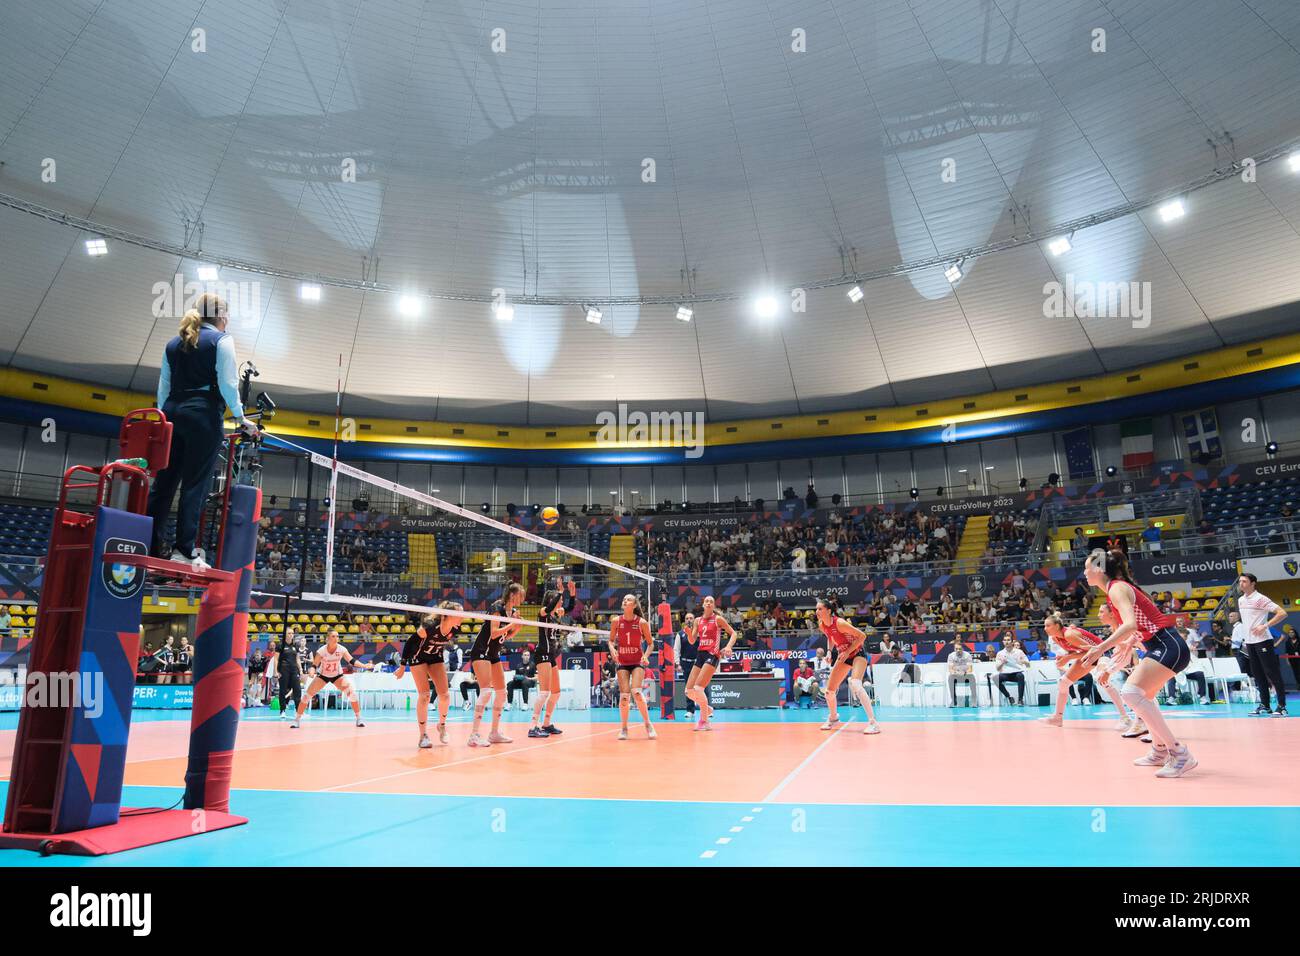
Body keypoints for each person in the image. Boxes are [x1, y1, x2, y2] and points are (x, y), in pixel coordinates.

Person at [146, 291, 259, 565]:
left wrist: (164, 420)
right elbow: (229, 383)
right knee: (194, 484)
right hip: (202, 415)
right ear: (221, 316)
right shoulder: (222, 340)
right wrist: (241, 418)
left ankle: (148, 544)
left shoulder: (173, 343)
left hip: (171, 414)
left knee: (164, 484)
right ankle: (183, 550)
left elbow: (164, 386)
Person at [1080, 549, 1197, 777]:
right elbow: (1132, 633)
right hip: (1161, 646)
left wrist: (1099, 648)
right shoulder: (1116, 589)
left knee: (1131, 693)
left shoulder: (1117, 588)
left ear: (1099, 569)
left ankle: (1179, 753)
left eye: (1087, 567)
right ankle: (1159, 751)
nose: (1084, 572)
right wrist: (1113, 664)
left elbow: (1130, 625)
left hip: (1167, 645)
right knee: (1145, 697)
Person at [394, 602, 463, 748]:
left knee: (445, 695)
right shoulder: (430, 625)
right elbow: (410, 642)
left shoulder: (456, 630)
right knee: (425, 695)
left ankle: (442, 725)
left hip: (435, 657)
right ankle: (423, 735)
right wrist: (402, 666)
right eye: (459, 614)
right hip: (417, 657)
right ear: (447, 615)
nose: (463, 617)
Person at [468, 583, 525, 747]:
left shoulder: (513, 612)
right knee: (486, 692)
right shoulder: (497, 607)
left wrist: (516, 628)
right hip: (480, 651)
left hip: (493, 654)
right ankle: (474, 735)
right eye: (521, 595)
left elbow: (504, 637)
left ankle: (494, 733)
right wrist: (511, 623)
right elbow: (493, 634)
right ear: (513, 595)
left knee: (501, 693)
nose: (523, 599)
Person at [814, 595, 880, 734]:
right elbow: (830, 637)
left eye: (820, 609)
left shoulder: (840, 623)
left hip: (857, 653)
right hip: (843, 656)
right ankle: (833, 718)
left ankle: (873, 723)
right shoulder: (821, 624)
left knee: (856, 683)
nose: (817, 611)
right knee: (829, 692)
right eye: (816, 609)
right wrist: (829, 652)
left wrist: (848, 651)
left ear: (828, 611)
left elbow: (862, 636)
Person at [290, 630, 373, 728]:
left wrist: (364, 665)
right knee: (306, 696)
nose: (336, 638)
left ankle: (359, 719)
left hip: (337, 676)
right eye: (333, 636)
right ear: (328, 639)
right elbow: (314, 665)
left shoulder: (342, 649)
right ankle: (297, 720)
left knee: (352, 694)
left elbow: (352, 661)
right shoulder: (321, 651)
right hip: (323, 676)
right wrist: (312, 671)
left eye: (337, 636)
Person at [1235, 573, 1289, 717]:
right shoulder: (1240, 600)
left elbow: (1282, 613)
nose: (1241, 584)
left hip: (1263, 641)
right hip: (1250, 643)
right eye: (1240, 581)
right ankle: (1265, 705)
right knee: (1258, 675)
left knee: (1272, 673)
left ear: (1253, 583)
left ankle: (1282, 706)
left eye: (1244, 581)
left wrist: (1265, 626)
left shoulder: (1260, 599)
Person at [528, 576, 576, 738]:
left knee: (555, 692)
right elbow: (548, 608)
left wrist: (572, 595)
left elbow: (570, 607)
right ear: (551, 600)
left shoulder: (556, 615)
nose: (561, 602)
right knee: (544, 692)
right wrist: (560, 592)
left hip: (551, 656)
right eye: (558, 600)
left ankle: (546, 723)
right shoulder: (543, 613)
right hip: (542, 654)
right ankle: (533, 726)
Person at [683, 595, 738, 731]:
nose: (708, 603)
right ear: (703, 605)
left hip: (712, 654)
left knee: (698, 688)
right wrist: (689, 633)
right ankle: (707, 708)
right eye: (706, 601)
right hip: (700, 654)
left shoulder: (717, 619)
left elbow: (734, 633)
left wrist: (729, 647)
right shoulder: (697, 620)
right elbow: (692, 641)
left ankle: (704, 721)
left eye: (711, 602)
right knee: (688, 691)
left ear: (713, 606)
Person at [609, 593, 657, 740]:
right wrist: (613, 650)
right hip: (622, 661)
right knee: (624, 696)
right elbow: (610, 641)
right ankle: (624, 728)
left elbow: (650, 643)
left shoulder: (642, 622)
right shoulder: (616, 621)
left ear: (634, 605)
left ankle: (648, 724)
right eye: (624, 599)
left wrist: (645, 656)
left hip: (637, 661)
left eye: (628, 599)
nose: (625, 600)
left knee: (636, 691)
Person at [270, 629, 302, 719]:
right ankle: (282, 710)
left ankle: (298, 711)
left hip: (294, 670)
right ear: (285, 634)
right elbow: (276, 659)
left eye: (292, 633)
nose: (291, 635)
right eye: (289, 633)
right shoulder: (280, 645)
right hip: (283, 670)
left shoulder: (295, 645)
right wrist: (275, 671)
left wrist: (301, 669)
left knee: (297, 690)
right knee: (283, 690)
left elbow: (298, 659)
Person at [994, 638, 1029, 705]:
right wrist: (1002, 663)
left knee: (1021, 676)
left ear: (1012, 642)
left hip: (1016, 673)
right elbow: (998, 668)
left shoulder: (1019, 652)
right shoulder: (1000, 653)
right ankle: (1009, 697)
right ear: (1003, 642)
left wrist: (1022, 661)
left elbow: (1027, 663)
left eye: (1008, 640)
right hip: (1005, 674)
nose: (1006, 642)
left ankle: (1020, 699)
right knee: (996, 678)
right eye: (1005, 640)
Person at [946, 637, 977, 707]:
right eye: (956, 649)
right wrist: (955, 673)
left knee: (972, 677)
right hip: (956, 675)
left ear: (962, 649)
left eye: (959, 649)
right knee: (950, 677)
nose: (958, 650)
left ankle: (974, 701)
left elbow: (970, 669)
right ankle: (953, 701)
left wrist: (964, 673)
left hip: (965, 675)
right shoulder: (951, 656)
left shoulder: (967, 655)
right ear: (954, 649)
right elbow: (950, 669)